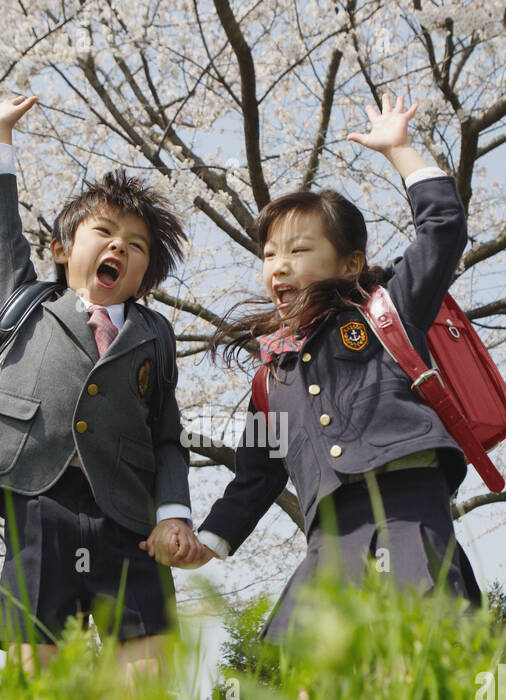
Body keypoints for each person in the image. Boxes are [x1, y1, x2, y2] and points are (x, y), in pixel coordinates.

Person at [163, 93, 482, 670]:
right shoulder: (271, 374)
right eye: (268, 254)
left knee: (417, 665)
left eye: (300, 250)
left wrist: (401, 150)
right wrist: (209, 542)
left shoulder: (387, 312)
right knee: (317, 684)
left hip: (409, 512)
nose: (278, 265)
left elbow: (443, 231)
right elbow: (255, 476)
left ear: (350, 263)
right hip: (328, 538)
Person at [0, 94, 203, 690]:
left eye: (136, 247)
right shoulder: (29, 302)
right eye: (103, 234)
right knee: (38, 677)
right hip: (40, 502)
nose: (118, 248)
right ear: (62, 251)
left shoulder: (156, 336)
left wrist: (173, 514)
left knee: (146, 674)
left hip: (130, 518)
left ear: (145, 276)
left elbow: (168, 437)